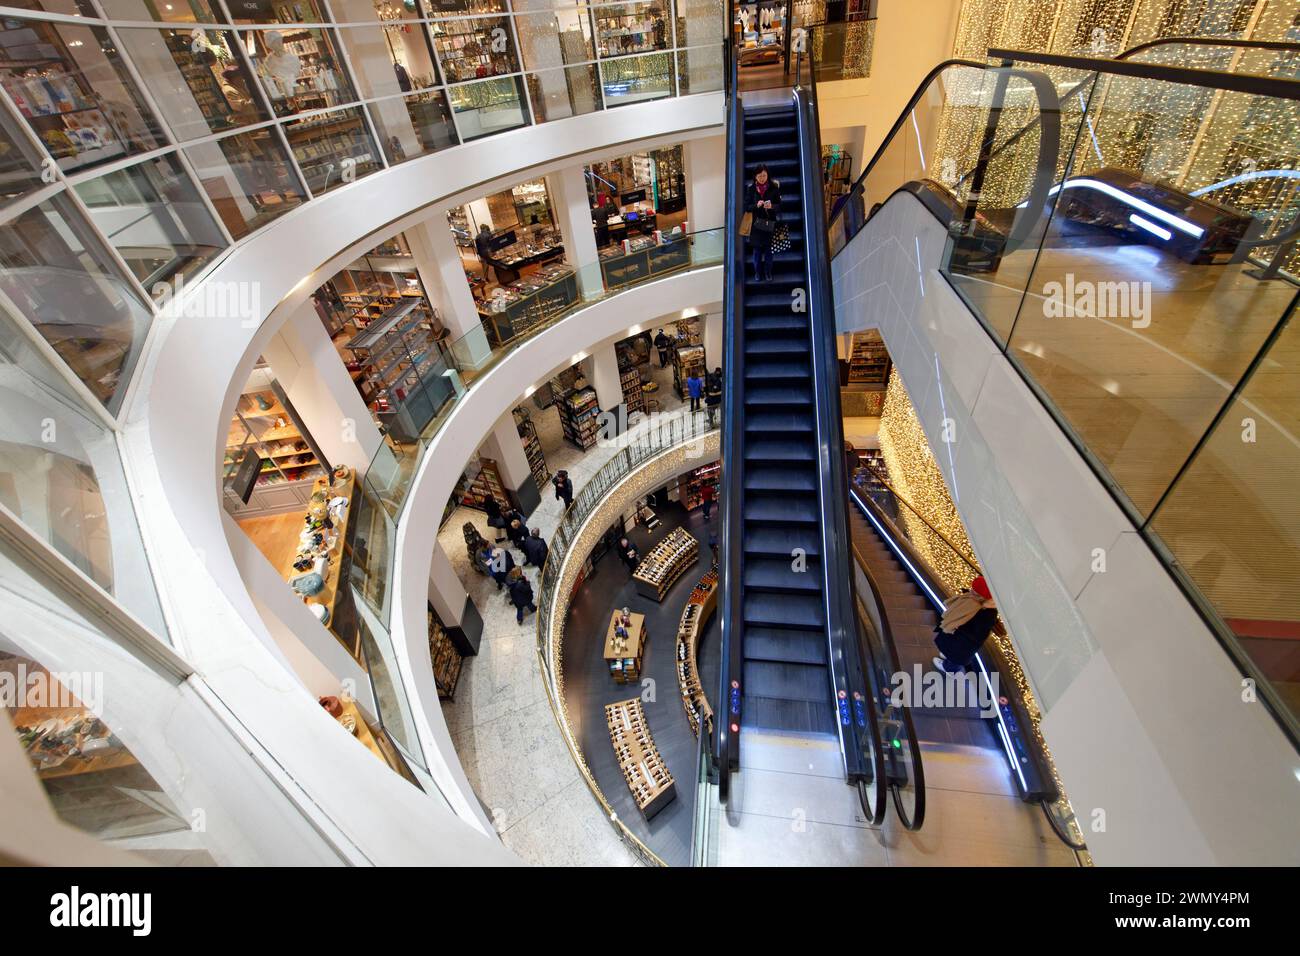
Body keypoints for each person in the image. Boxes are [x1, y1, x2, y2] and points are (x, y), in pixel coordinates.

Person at [933, 575, 1001, 674]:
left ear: (983, 596)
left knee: (956, 658)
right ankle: (948, 656)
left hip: (965, 641)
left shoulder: (986, 613)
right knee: (952, 650)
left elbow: (978, 633)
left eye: (974, 591)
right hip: (959, 636)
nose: (971, 592)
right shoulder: (975, 601)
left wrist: (959, 626)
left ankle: (948, 669)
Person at [744, 164, 783, 282]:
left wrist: (772, 206)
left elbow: (780, 206)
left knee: (768, 252)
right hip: (755, 226)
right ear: (755, 176)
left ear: (768, 175)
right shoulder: (751, 189)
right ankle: (757, 272)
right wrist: (756, 205)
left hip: (769, 224)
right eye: (759, 175)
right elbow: (746, 207)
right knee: (756, 252)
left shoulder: (774, 188)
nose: (762, 178)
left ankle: (768, 272)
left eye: (764, 175)